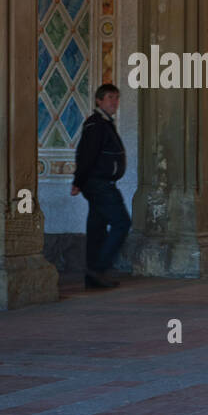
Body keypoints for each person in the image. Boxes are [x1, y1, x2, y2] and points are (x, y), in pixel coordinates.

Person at [71, 83, 130, 289]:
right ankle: (98, 268)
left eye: (116, 98)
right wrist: (78, 182)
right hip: (98, 184)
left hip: (98, 183)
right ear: (99, 100)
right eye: (110, 98)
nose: (114, 102)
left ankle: (93, 277)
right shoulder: (96, 124)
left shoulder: (104, 123)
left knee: (96, 228)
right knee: (122, 222)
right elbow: (87, 155)